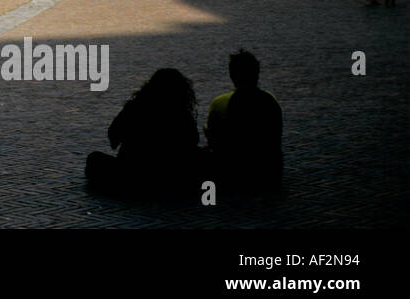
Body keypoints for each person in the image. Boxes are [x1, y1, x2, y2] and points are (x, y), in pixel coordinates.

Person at [85, 68, 201, 198]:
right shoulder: (181, 113)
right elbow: (193, 142)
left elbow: (114, 137)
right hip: (171, 175)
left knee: (94, 158)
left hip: (133, 172)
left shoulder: (134, 108)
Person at [205, 50, 283, 193]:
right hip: (268, 170)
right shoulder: (270, 100)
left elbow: (213, 136)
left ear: (232, 75)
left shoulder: (219, 102)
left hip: (233, 170)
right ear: (257, 74)